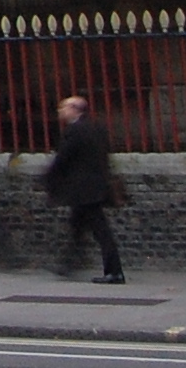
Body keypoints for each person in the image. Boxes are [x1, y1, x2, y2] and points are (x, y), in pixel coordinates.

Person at [44, 94, 125, 284]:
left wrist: (50, 179)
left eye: (64, 107)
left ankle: (114, 272)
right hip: (96, 186)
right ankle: (68, 265)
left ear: (75, 109)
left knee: (101, 231)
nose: (61, 111)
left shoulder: (74, 131)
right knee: (77, 228)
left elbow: (62, 159)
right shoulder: (97, 127)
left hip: (84, 190)